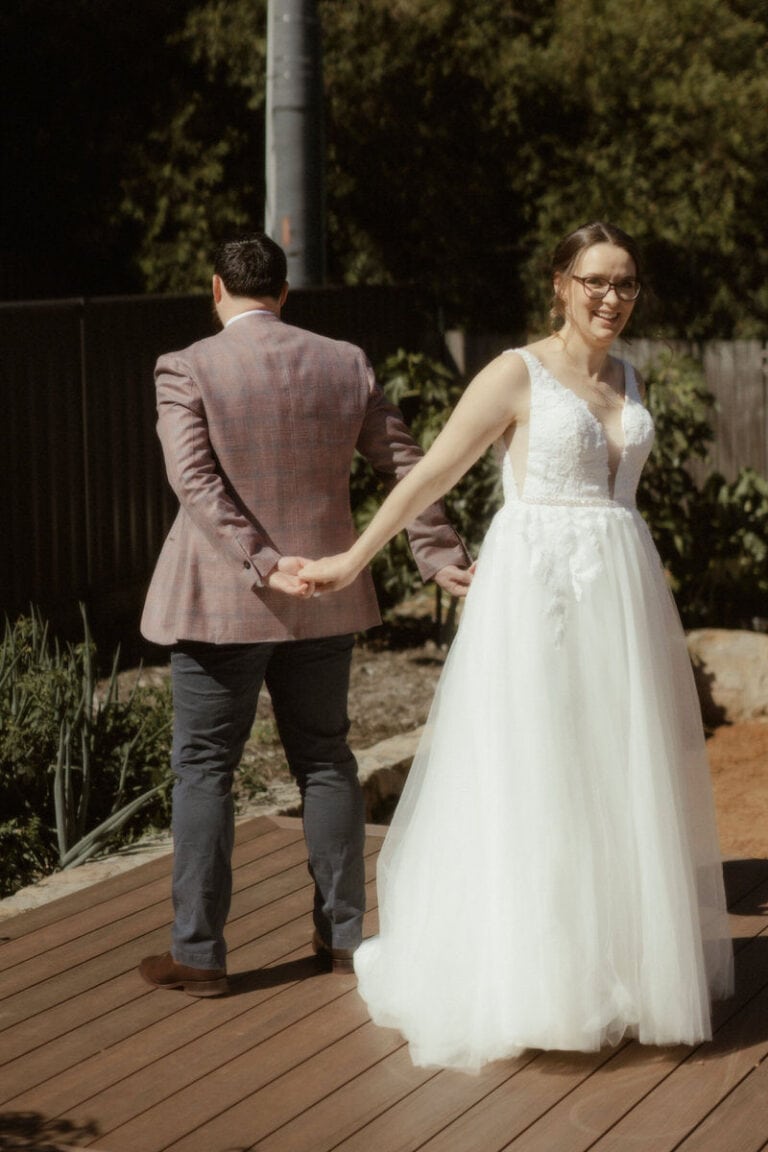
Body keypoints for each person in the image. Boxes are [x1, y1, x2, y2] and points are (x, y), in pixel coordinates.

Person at [301, 221, 734, 1070]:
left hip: (621, 594)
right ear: (560, 283)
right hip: (537, 595)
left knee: (616, 777)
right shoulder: (515, 372)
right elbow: (431, 472)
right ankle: (534, 983)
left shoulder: (631, 376)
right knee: (538, 773)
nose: (612, 297)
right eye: (596, 280)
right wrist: (353, 560)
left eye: (626, 283)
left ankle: (617, 971)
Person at [138, 232, 471, 997]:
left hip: (221, 602)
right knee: (325, 759)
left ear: (215, 289)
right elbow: (406, 463)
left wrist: (260, 560)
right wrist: (438, 554)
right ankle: (346, 938)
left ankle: (199, 953)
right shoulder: (344, 362)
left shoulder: (186, 365)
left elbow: (193, 480)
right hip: (326, 593)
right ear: (284, 293)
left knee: (204, 768)